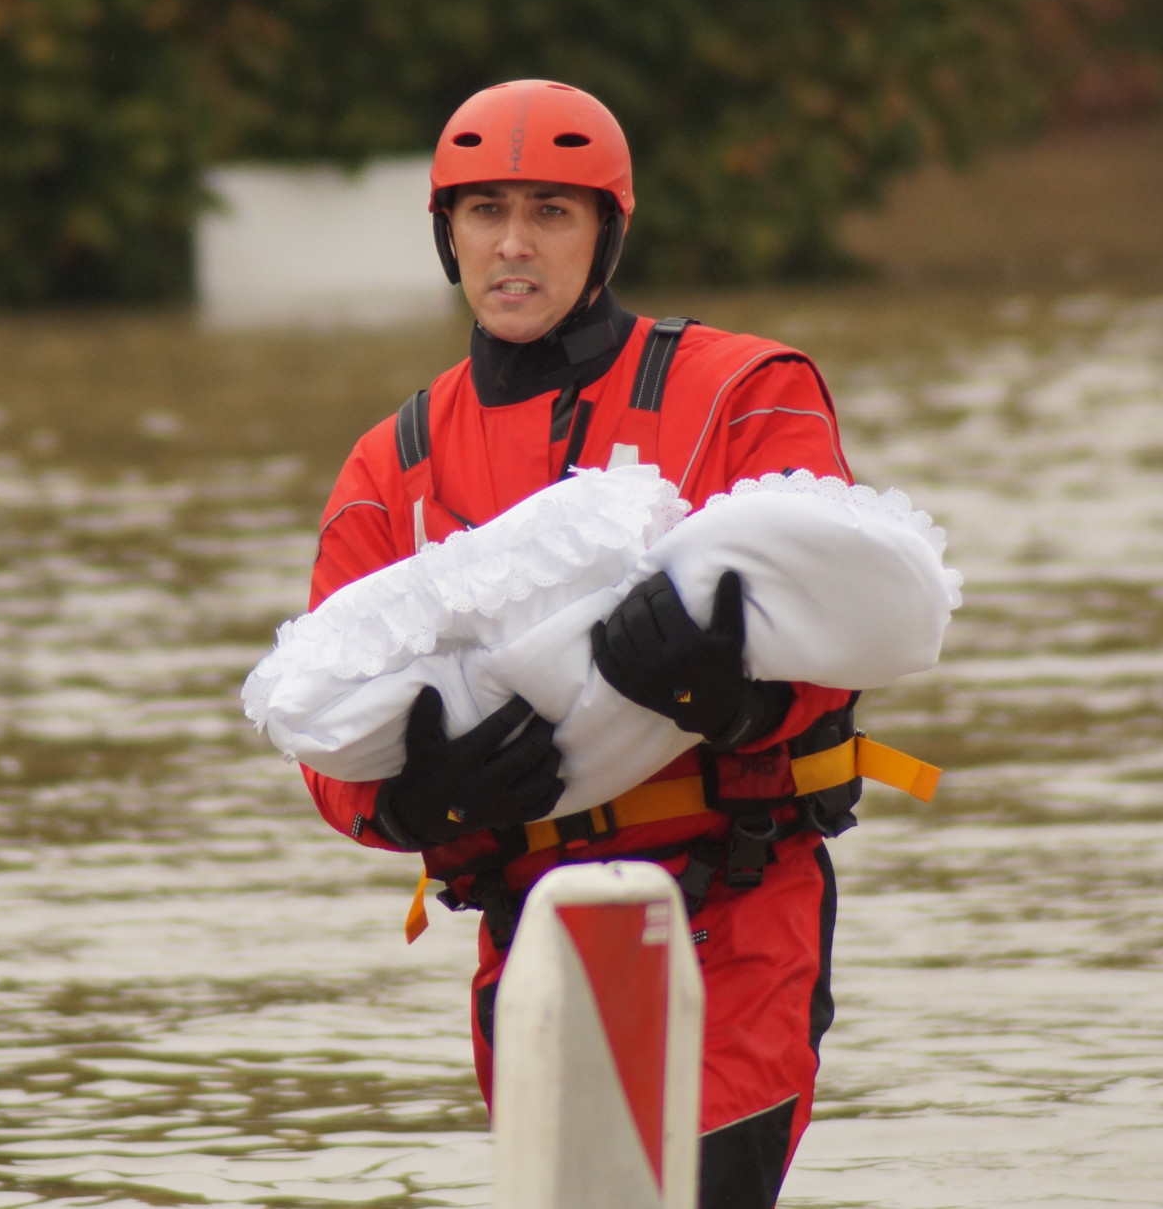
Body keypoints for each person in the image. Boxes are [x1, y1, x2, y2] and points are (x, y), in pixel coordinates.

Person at [300, 79, 866, 1209]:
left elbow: (845, 624)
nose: (513, 243)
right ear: (447, 234)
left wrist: (733, 698)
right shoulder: (388, 464)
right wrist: (414, 804)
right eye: (485, 211)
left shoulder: (747, 390)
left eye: (550, 212)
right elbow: (320, 722)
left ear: (607, 232)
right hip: (531, 930)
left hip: (732, 901)